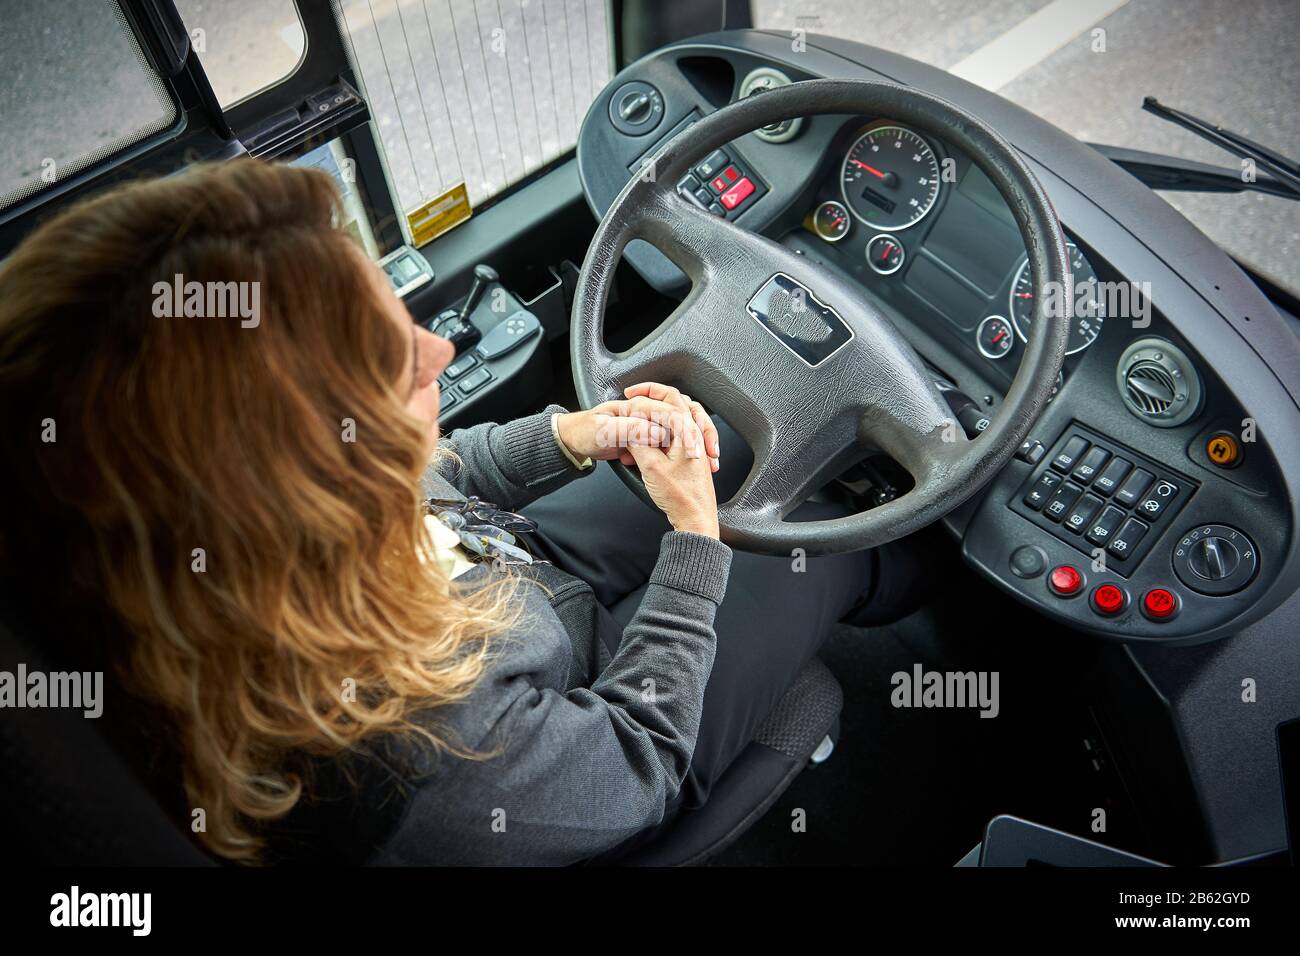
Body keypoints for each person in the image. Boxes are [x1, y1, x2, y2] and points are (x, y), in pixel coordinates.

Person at [0, 160, 920, 865]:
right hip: (604, 733)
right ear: (313, 499)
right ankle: (893, 576)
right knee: (822, 541)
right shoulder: (416, 761)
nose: (440, 349)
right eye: (398, 369)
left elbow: (437, 476)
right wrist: (692, 544)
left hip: (516, 589)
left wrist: (570, 436)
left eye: (405, 320)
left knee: (729, 450)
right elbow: (631, 763)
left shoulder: (261, 551)